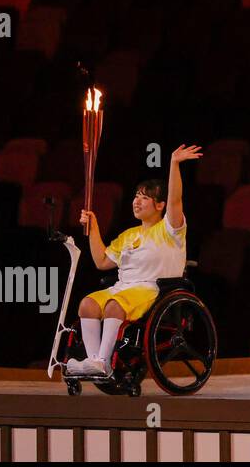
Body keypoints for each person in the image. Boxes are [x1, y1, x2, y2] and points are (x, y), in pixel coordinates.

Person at [66, 143, 203, 377]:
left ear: (159, 205)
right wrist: (94, 226)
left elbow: (175, 200)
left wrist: (173, 163)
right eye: (136, 196)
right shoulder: (128, 236)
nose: (136, 202)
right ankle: (93, 361)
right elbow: (101, 262)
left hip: (152, 289)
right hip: (123, 289)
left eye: (145, 198)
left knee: (113, 306)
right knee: (87, 304)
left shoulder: (170, 229)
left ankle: (103, 362)